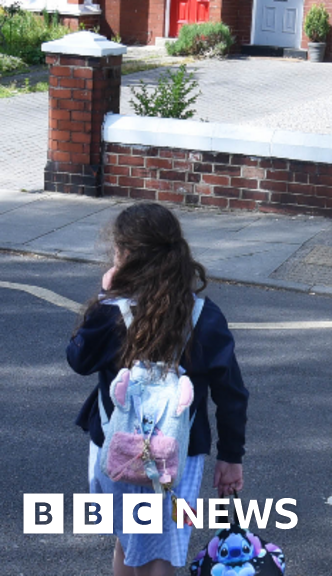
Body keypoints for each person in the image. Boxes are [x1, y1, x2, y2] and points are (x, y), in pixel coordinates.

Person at [67, 202, 249, 576]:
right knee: (160, 551)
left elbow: (78, 359)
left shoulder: (113, 312)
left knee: (128, 540)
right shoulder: (203, 315)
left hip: (114, 447)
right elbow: (231, 392)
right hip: (177, 455)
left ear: (126, 254)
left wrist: (103, 299)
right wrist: (230, 457)